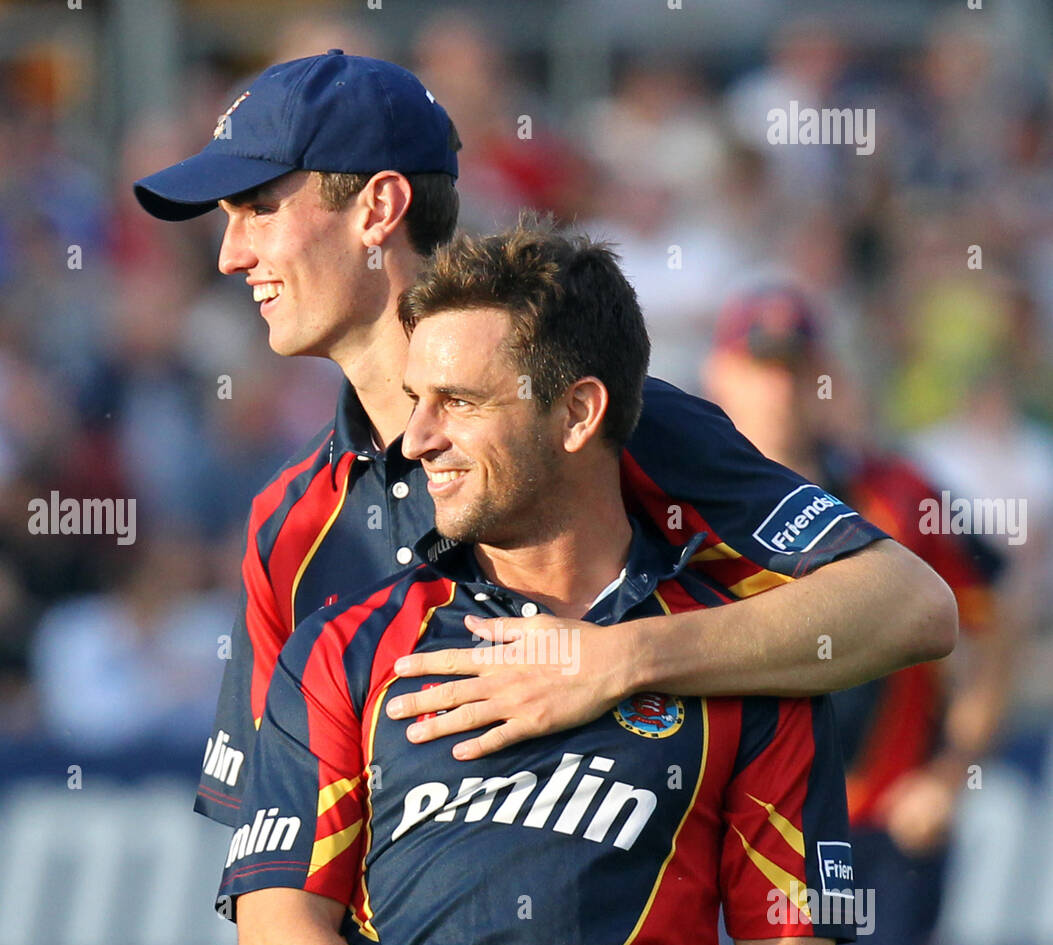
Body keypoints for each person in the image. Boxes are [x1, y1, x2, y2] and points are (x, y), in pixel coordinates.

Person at [213, 222, 858, 945]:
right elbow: (274, 943)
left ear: (578, 412)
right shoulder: (352, 645)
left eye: (457, 402)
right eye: (416, 399)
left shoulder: (745, 667)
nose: (416, 438)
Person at [131, 50, 958, 836]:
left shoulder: (601, 417)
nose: (232, 253)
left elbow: (906, 606)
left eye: (259, 208)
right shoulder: (290, 522)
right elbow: (275, 902)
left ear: (378, 210)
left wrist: (623, 659)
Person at [704, 285, 1012, 945]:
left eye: (796, 370)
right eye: (761, 366)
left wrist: (948, 768)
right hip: (744, 856)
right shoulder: (681, 509)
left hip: (881, 835)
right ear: (720, 377)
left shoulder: (893, 493)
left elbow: (992, 619)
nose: (781, 391)